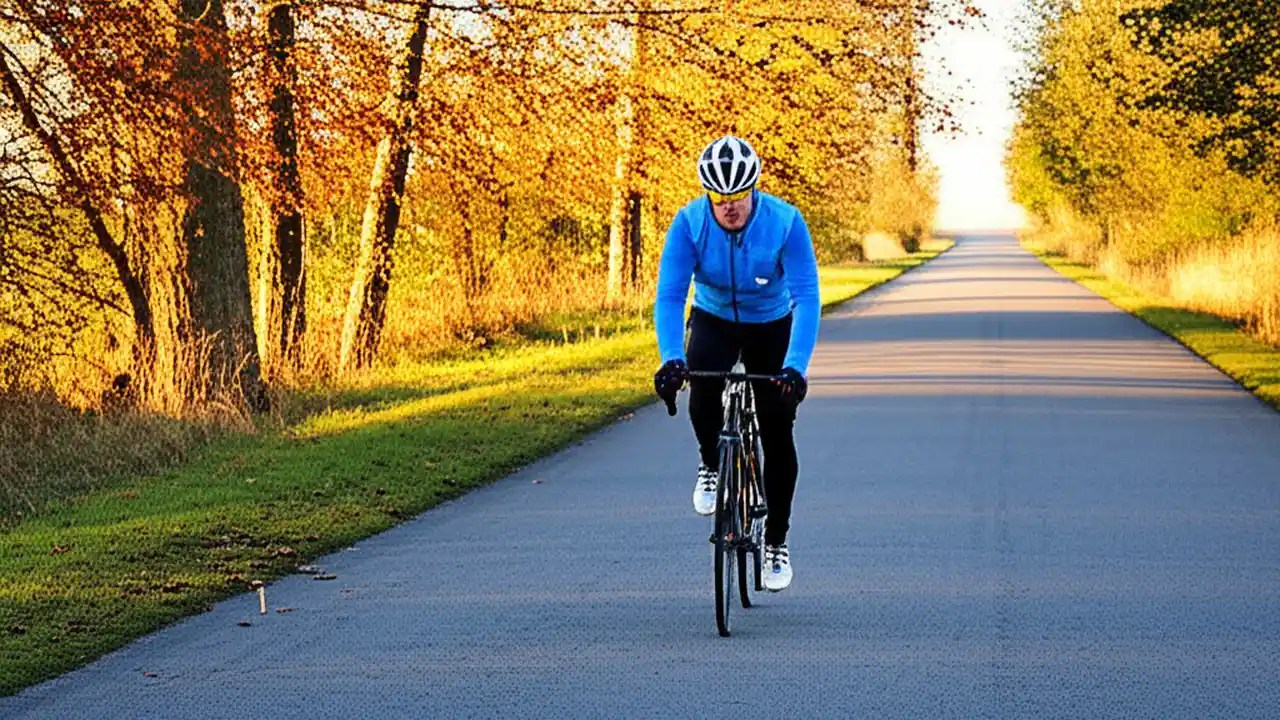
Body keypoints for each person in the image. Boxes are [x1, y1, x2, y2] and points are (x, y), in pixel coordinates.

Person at [652, 135, 820, 592]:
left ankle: (777, 543)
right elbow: (670, 295)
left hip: (771, 321)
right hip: (714, 317)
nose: (729, 207)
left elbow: (807, 297)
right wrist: (671, 359)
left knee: (777, 429)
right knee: (701, 398)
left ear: (754, 191)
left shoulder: (785, 223)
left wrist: (795, 368)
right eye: (720, 198)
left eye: (738, 197)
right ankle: (711, 463)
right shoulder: (689, 224)